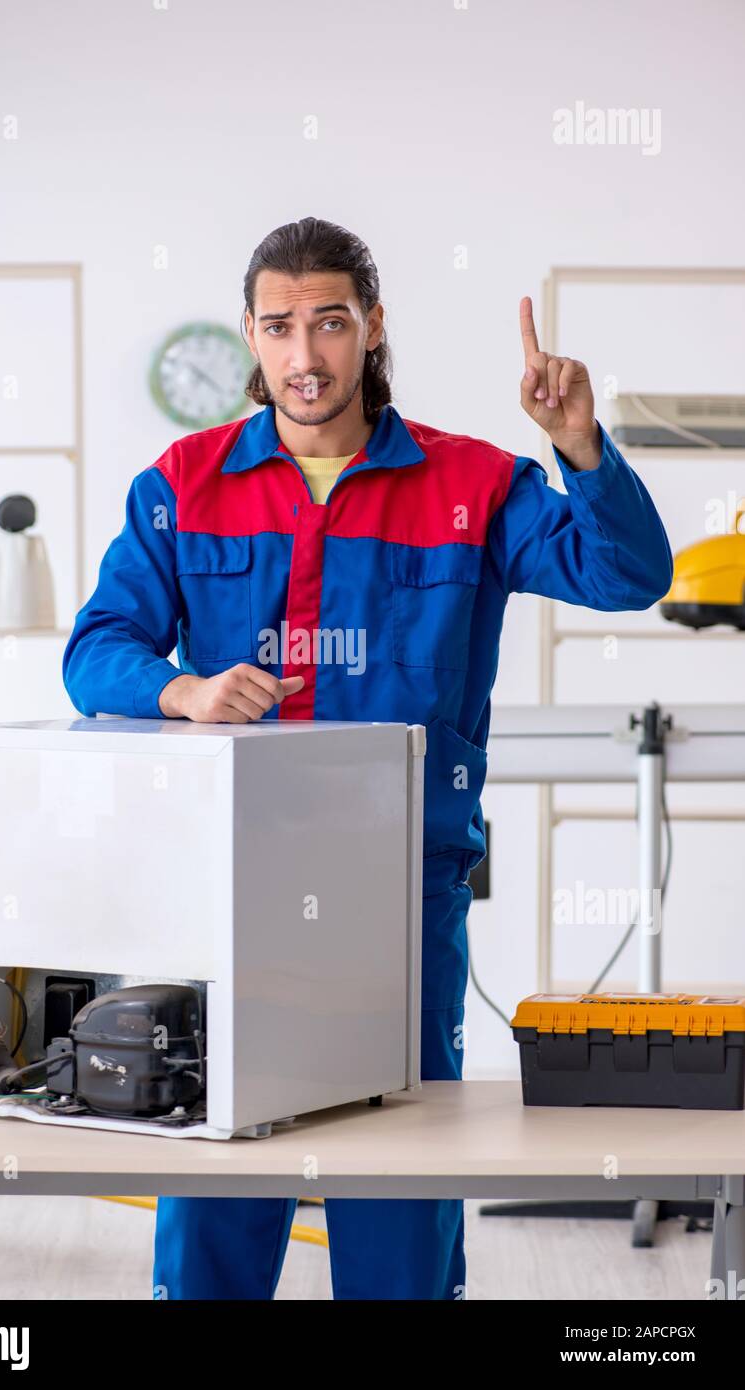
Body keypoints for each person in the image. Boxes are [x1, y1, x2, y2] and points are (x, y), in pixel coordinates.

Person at [62, 216, 674, 1300]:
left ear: (373, 327)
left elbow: (626, 575)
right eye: (282, 327)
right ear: (251, 336)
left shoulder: (475, 485)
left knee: (398, 1202)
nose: (307, 356)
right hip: (227, 897)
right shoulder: (183, 484)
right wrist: (182, 688)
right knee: (215, 1203)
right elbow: (95, 650)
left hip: (399, 901)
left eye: (331, 323)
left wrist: (582, 446)